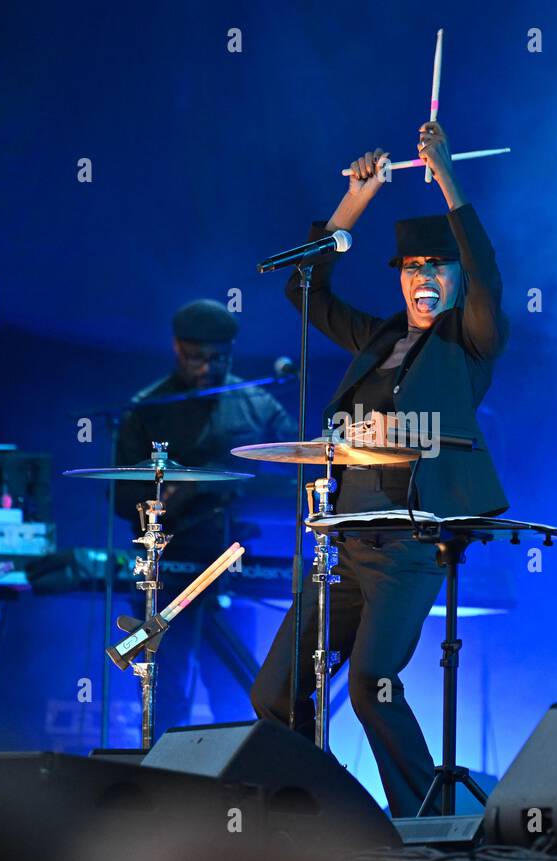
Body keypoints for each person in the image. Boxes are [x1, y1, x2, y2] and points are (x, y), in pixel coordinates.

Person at [249, 121, 510, 816]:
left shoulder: (470, 342)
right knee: (274, 692)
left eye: (439, 267)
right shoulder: (381, 337)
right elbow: (303, 291)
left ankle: (427, 824)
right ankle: (324, 812)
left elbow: (486, 271)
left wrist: (448, 175)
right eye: (413, 269)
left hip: (409, 546)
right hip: (343, 544)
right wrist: (353, 206)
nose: (426, 278)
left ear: (455, 279)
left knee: (371, 685)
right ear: (400, 278)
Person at [116, 299, 294, 729]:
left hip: (235, 563)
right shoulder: (147, 408)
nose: (208, 368)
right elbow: (125, 503)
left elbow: (299, 464)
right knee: (166, 685)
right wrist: (189, 486)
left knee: (235, 684)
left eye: (219, 358)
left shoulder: (256, 405)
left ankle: (234, 783)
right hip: (168, 568)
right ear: (178, 348)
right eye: (198, 358)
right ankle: (164, 780)